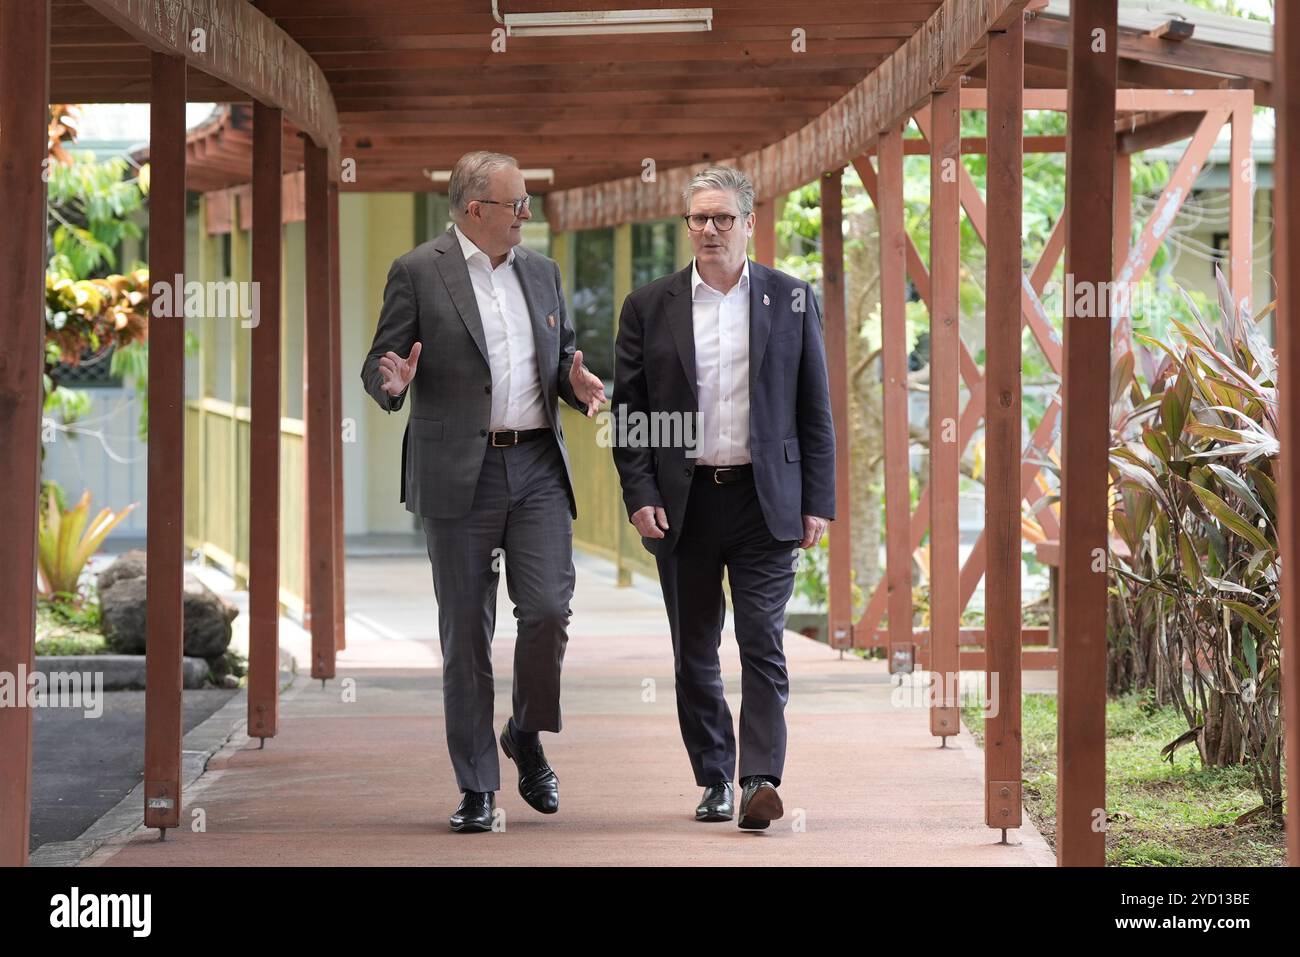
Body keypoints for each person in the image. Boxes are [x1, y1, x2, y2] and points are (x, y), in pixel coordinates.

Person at [360, 150, 606, 833]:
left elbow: (557, 364)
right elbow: (380, 365)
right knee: (465, 631)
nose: (529, 213)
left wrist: (574, 384)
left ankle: (524, 732)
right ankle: (477, 786)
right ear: (476, 209)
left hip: (535, 468)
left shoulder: (543, 271)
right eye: (517, 203)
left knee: (550, 608)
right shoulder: (418, 271)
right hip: (455, 474)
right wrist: (392, 383)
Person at [611, 165, 835, 829]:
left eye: (723, 218)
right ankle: (714, 776)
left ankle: (759, 778)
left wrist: (816, 499)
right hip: (684, 504)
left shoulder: (791, 298)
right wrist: (639, 491)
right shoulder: (649, 306)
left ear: (749, 224)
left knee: (762, 637)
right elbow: (632, 415)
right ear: (688, 226)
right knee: (695, 648)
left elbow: (814, 408)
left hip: (766, 500)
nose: (709, 229)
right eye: (699, 219)